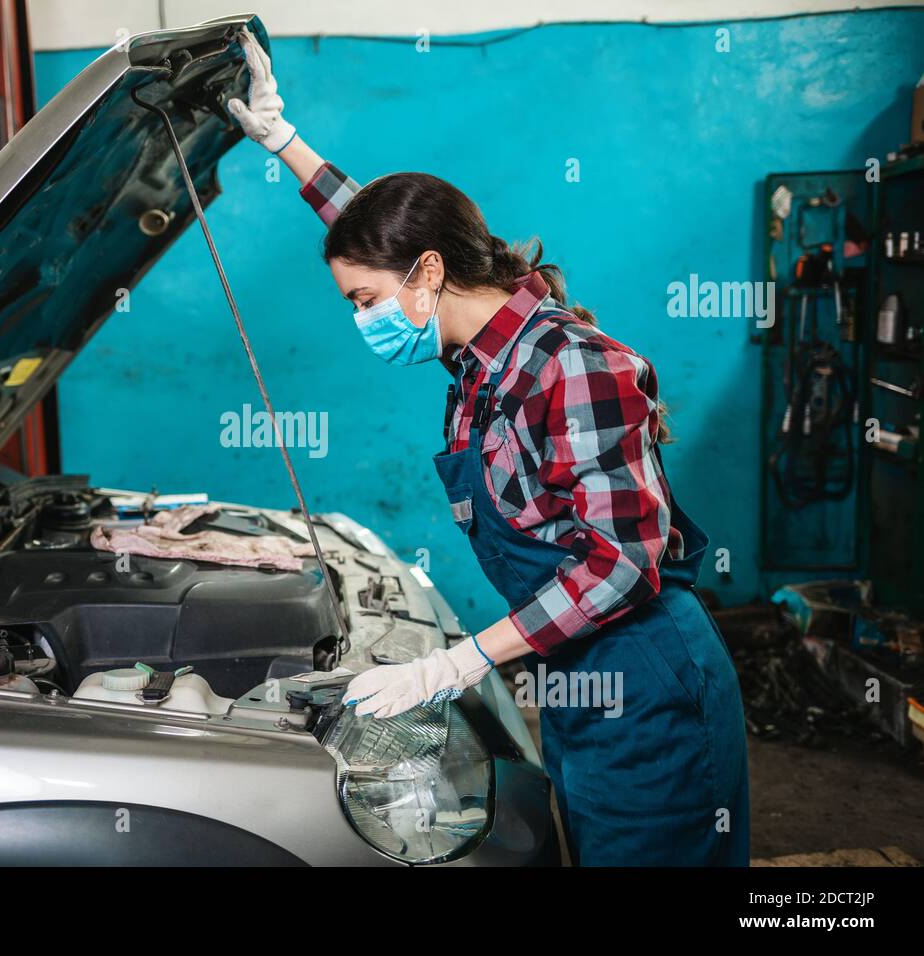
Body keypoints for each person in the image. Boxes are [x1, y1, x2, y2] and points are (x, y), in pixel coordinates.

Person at [226, 30, 749, 866]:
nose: (364, 319)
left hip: (650, 684)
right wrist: (286, 143)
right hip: (579, 679)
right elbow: (383, 236)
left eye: (365, 301)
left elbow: (622, 563)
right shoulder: (475, 356)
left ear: (429, 276)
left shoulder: (570, 366)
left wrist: (456, 664)